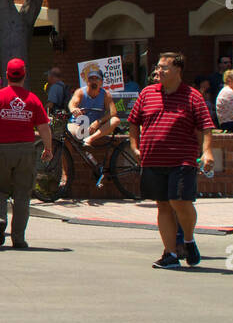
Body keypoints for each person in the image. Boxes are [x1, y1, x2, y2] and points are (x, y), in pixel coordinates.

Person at [128, 52, 214, 270]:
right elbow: (133, 122)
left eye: (164, 67)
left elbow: (206, 126)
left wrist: (207, 152)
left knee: (179, 201)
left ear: (178, 70)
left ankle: (188, 239)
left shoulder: (192, 96)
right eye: (158, 67)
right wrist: (133, 146)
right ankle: (171, 254)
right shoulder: (147, 93)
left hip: (182, 159)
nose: (159, 71)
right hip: (152, 159)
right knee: (163, 205)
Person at [0, 59, 52, 249]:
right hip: (26, 150)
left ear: (7, 75)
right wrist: (48, 148)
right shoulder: (33, 99)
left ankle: (0, 218)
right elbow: (44, 127)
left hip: (1, 149)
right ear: (24, 74)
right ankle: (18, 238)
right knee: (22, 194)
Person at [68, 69, 121, 149]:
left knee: (115, 120)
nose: (94, 81)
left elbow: (113, 112)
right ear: (87, 81)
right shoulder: (80, 92)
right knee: (70, 130)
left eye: (97, 78)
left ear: (101, 82)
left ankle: (89, 139)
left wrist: (98, 122)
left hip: (96, 128)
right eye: (91, 78)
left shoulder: (105, 94)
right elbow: (72, 104)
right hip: (79, 126)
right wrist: (73, 109)